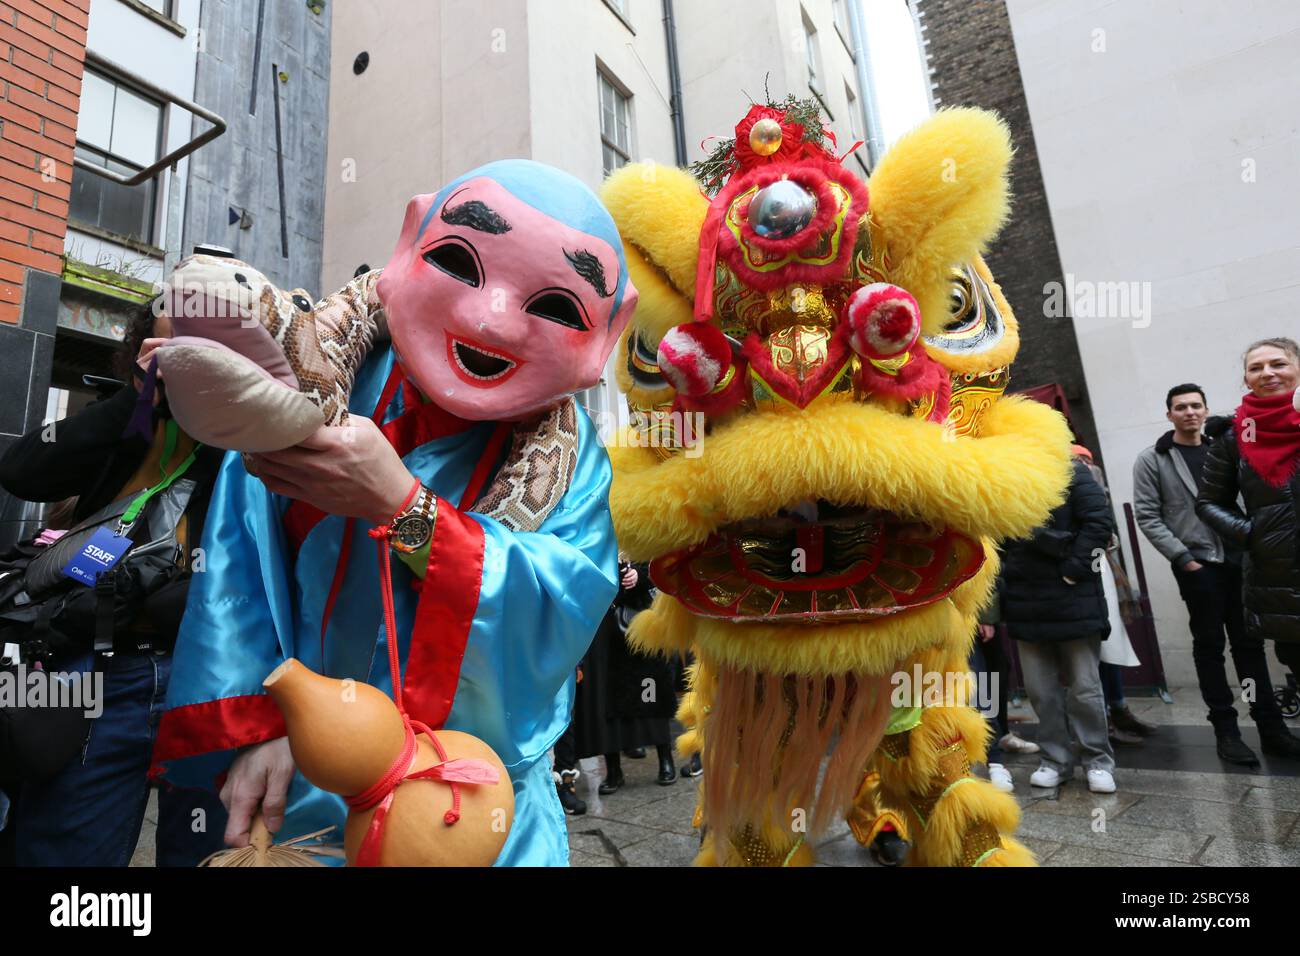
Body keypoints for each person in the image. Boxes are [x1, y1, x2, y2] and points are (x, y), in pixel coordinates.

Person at [153, 161, 634, 866]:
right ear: (411, 238)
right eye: (457, 260)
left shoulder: (578, 465)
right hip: (300, 771)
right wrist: (258, 721)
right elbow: (235, 567)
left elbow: (555, 615)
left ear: (608, 330)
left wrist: (405, 508)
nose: (490, 317)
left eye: (558, 307)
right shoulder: (306, 389)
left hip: (472, 797)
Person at [0, 300, 228, 866]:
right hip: (89, 659)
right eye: (171, 347)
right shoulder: (129, 421)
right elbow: (20, 469)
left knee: (203, 850)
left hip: (203, 673)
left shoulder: (249, 435)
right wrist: (138, 394)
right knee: (56, 851)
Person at [1134, 382, 1290, 765]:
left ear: (1205, 411)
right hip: (1199, 566)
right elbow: (1148, 515)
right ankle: (1226, 731)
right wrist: (1183, 557)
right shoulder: (1154, 458)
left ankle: (1270, 728)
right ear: (1169, 414)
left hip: (1242, 562)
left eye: (1196, 406)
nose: (1190, 412)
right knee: (1210, 649)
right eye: (1181, 407)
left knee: (1250, 649)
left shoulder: (1224, 447)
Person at [1196, 338, 1300, 760]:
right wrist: (1254, 533)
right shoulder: (1233, 437)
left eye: (1279, 363)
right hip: (1283, 581)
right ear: (1246, 379)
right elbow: (1208, 502)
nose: (1268, 373)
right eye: (1257, 368)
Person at [1001, 456, 1118, 793]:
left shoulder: (1072, 470)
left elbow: (1098, 522)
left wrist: (1074, 570)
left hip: (1073, 597)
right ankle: (1055, 759)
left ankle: (1097, 760)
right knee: (1040, 690)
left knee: (1085, 687)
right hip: (1025, 598)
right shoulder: (1003, 475)